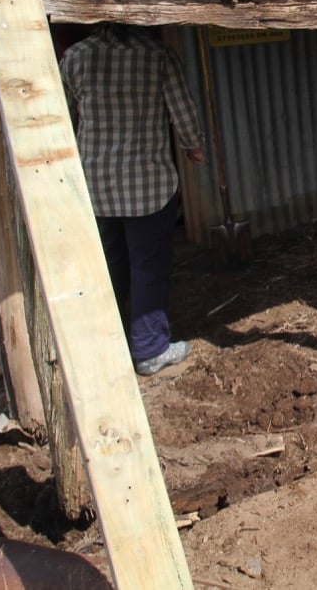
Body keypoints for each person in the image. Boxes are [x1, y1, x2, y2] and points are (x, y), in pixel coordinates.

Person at [60, 19, 206, 376]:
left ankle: (104, 345)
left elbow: (64, 115)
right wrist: (193, 145)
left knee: (108, 264)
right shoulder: (157, 55)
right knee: (148, 266)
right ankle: (150, 348)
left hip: (95, 186)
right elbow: (183, 111)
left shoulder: (75, 58)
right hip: (147, 187)